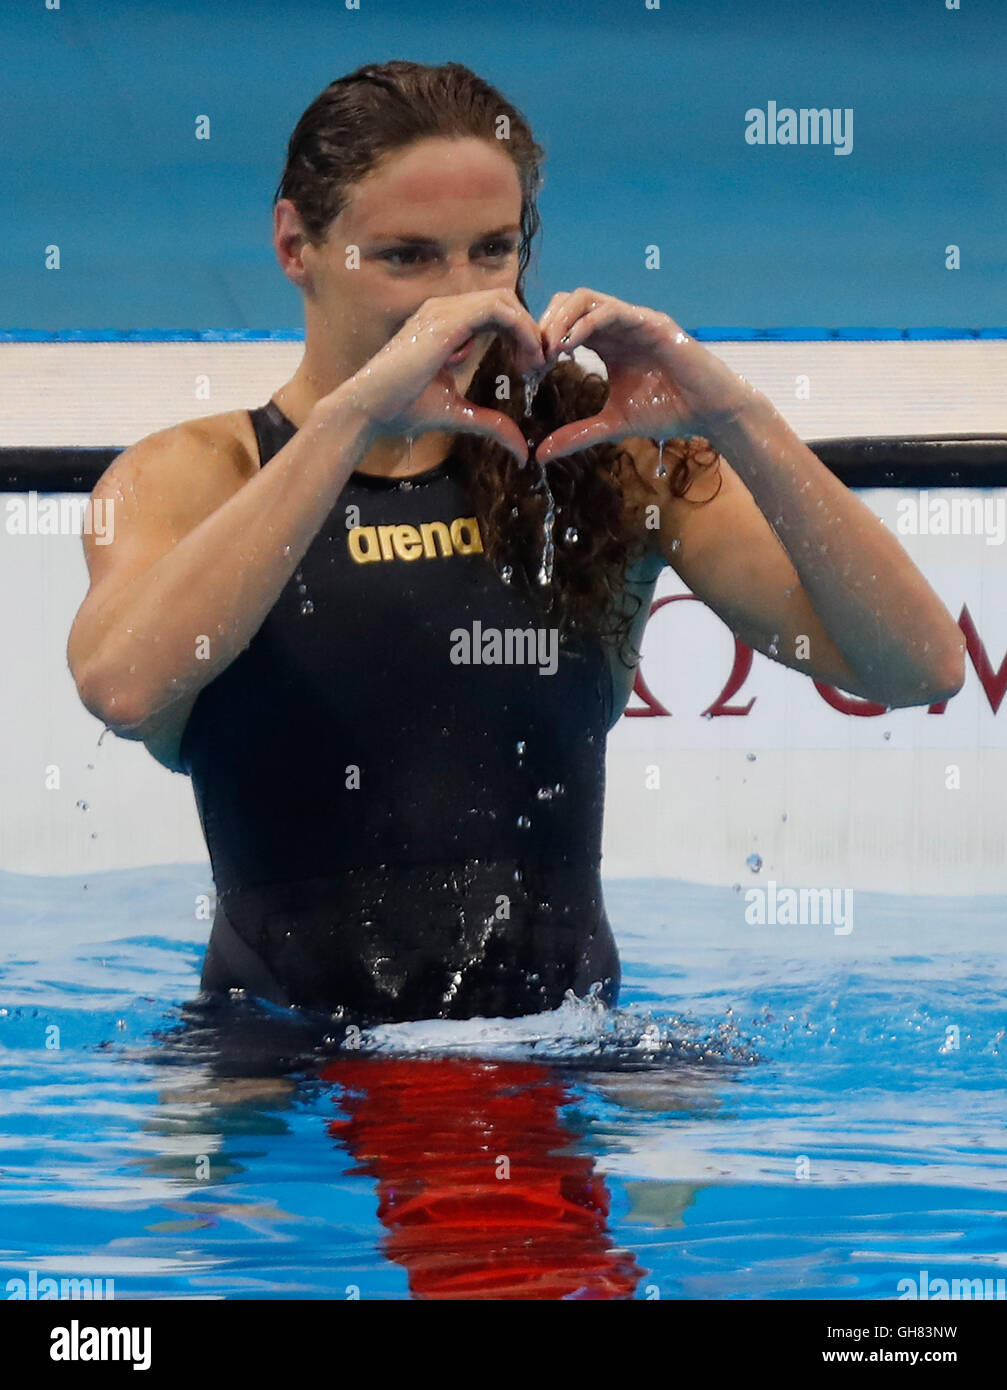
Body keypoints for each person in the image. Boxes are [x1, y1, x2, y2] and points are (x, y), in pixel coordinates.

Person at [67, 60, 965, 1026]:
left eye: (491, 252)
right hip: (271, 1062)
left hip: (561, 1059)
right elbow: (122, 685)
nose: (461, 299)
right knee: (177, 1175)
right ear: (297, 244)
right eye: (408, 257)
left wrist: (734, 413)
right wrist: (354, 420)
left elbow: (919, 667)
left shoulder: (595, 459)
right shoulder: (199, 475)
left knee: (687, 1151)